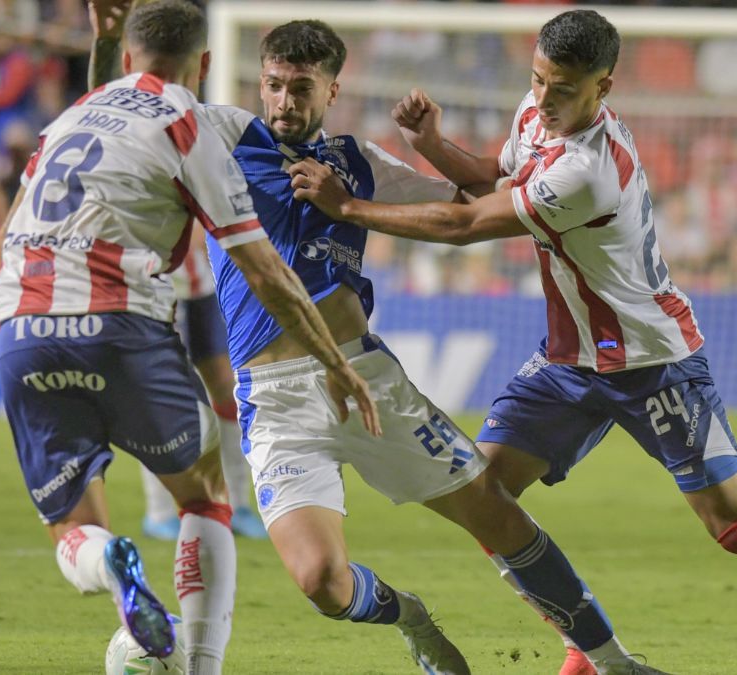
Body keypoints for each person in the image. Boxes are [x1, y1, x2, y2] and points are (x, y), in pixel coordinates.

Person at [290, 9, 737, 675]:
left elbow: (470, 223)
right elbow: (495, 181)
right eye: (539, 80)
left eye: (564, 89)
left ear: (602, 89)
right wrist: (435, 144)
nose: (546, 98)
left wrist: (346, 209)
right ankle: (586, 644)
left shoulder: (590, 171)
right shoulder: (535, 111)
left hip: (651, 361)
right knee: (485, 496)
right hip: (566, 362)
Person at [87, 12, 666, 675]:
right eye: (273, 84)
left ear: (331, 91)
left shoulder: (358, 163)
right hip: (275, 404)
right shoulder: (221, 137)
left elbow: (481, 201)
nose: (283, 101)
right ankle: (411, 615)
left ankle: (613, 661)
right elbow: (119, 112)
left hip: (369, 383)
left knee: (494, 512)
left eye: (301, 88)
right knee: (322, 584)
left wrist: (453, 149)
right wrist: (108, 42)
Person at [0, 2, 379, 674]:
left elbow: (106, 104)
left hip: (20, 329)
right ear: (205, 65)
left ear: (129, 59)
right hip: (120, 323)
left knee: (72, 525)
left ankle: (110, 565)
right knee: (203, 497)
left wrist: (104, 42)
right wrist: (336, 363)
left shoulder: (68, 119)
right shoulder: (189, 123)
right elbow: (265, 270)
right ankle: (200, 662)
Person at [140, 228, 268, 541]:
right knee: (163, 388)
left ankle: (237, 505)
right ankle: (159, 513)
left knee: (226, 384)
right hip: (152, 279)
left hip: (201, 283)